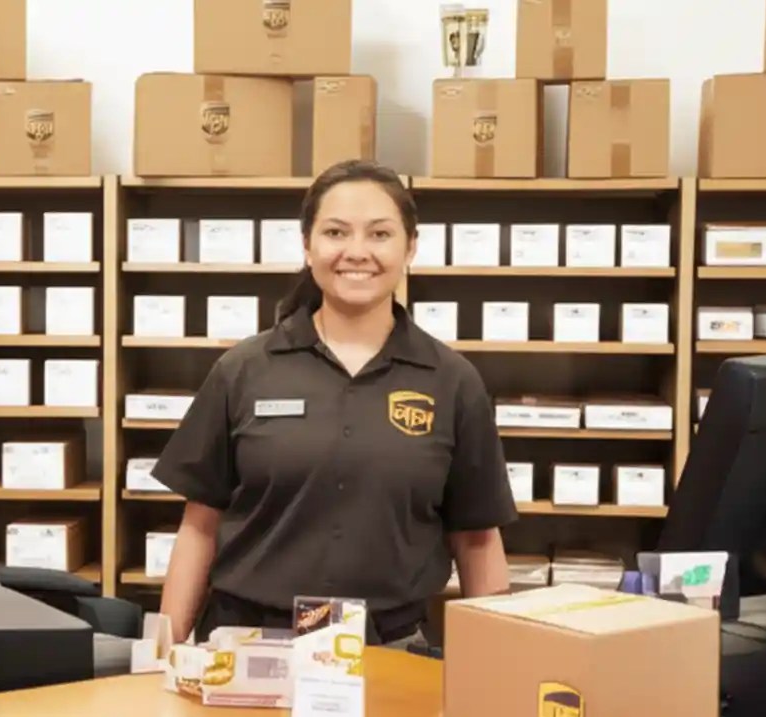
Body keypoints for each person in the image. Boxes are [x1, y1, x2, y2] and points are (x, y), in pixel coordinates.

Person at [153, 159, 517, 646]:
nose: (357, 252)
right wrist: (165, 653)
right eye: (336, 232)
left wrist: (493, 671)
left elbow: (477, 538)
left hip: (388, 650)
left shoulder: (453, 382)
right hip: (246, 648)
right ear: (307, 245)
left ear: (410, 246)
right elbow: (199, 527)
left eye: (380, 234)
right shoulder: (243, 370)